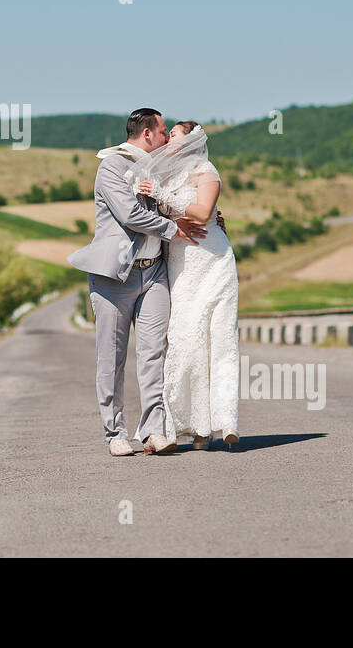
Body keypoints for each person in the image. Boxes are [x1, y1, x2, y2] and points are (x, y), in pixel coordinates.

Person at [67, 109, 224, 457]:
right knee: (112, 355)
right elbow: (130, 214)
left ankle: (153, 430)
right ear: (148, 134)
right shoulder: (111, 167)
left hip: (154, 273)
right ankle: (115, 432)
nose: (169, 138)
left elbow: (183, 201)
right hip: (115, 277)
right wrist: (175, 230)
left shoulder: (159, 169)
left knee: (154, 353)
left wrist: (213, 221)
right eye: (164, 131)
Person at [132, 121, 240, 449]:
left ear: (191, 138)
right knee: (183, 340)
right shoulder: (163, 173)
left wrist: (164, 196)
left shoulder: (206, 170)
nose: (167, 138)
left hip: (212, 261)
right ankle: (191, 426)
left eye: (173, 133)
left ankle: (223, 422)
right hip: (180, 266)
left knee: (219, 339)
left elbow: (205, 213)